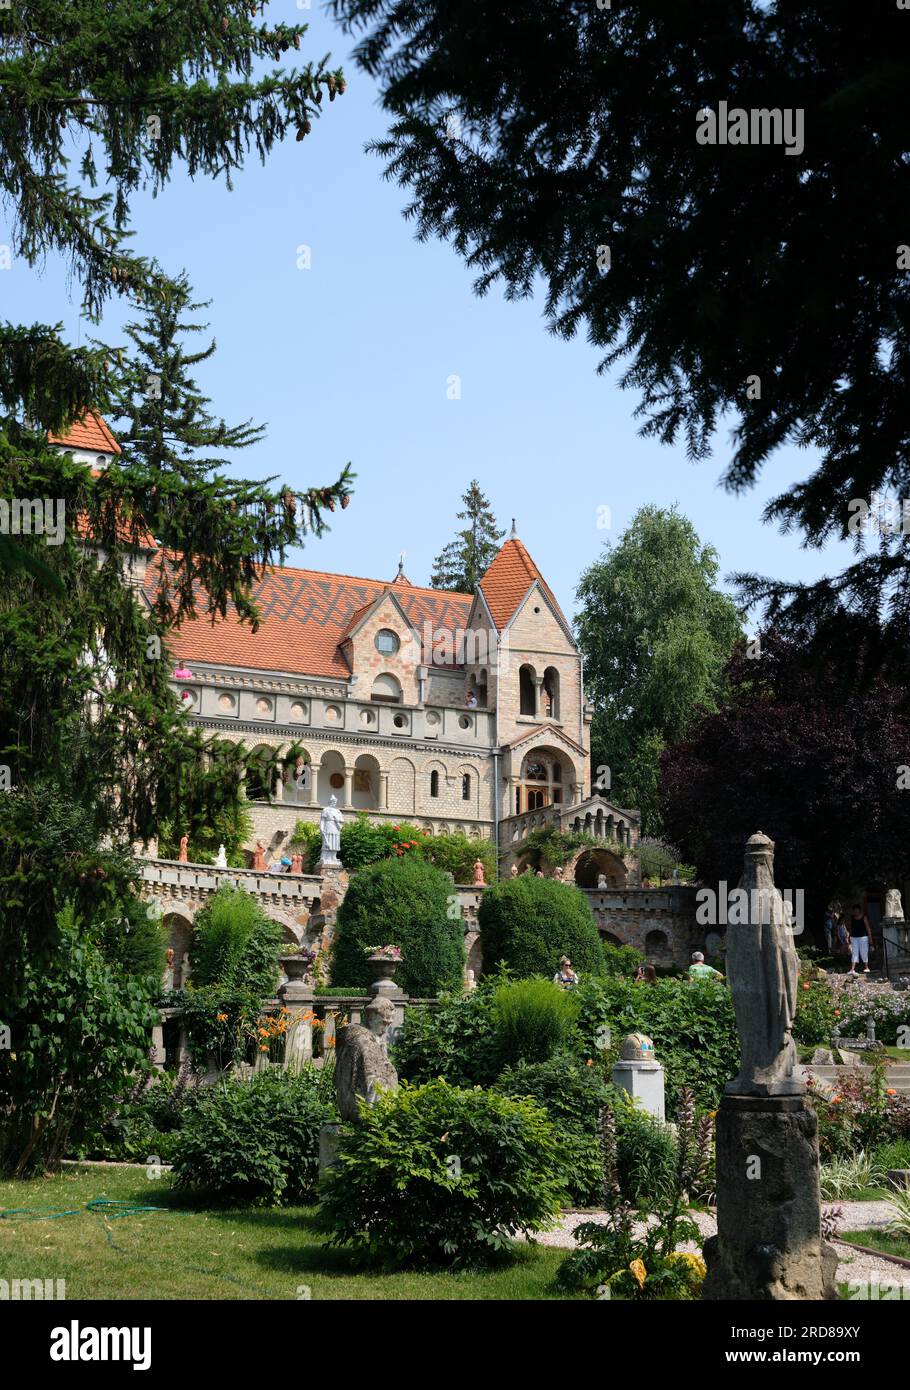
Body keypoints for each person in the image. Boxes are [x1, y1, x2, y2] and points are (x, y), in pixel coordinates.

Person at [848, 903, 874, 975]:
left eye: (857, 910)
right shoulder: (852, 918)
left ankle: (866, 967)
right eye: (854, 911)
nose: (856, 912)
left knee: (864, 952)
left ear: (859, 911)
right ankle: (852, 969)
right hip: (854, 937)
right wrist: (849, 936)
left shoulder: (864, 917)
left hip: (863, 937)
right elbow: (851, 928)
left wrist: (870, 938)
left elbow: (868, 928)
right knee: (854, 952)